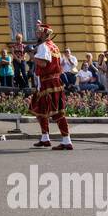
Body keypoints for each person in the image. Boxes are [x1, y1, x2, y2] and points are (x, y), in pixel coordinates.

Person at [29, 21, 73, 149]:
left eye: (38, 32)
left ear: (44, 33)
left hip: (48, 83)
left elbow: (43, 63)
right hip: (52, 82)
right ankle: (45, 138)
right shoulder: (54, 46)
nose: (37, 34)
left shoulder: (43, 46)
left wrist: (32, 55)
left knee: (57, 112)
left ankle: (66, 141)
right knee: (40, 109)